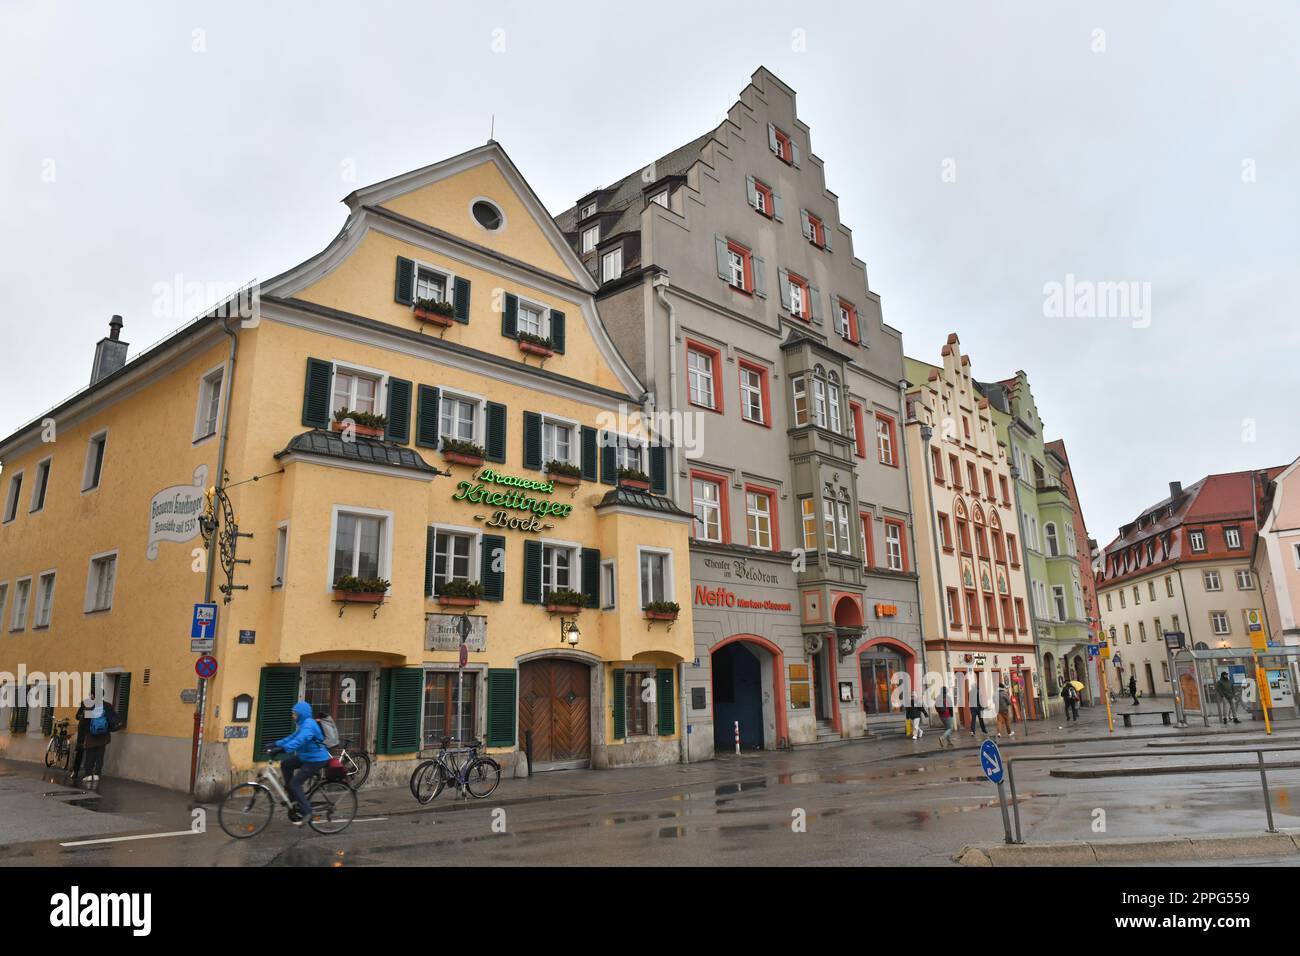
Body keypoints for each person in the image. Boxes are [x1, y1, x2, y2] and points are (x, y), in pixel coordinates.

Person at [270, 701, 332, 825]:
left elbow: (300, 740)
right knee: (285, 764)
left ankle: (307, 812)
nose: (293, 716)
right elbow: (293, 737)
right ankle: (293, 797)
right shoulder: (303, 724)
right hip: (307, 757)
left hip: (316, 759)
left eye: (294, 714)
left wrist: (283, 749)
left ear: (301, 714)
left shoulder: (309, 725)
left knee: (295, 783)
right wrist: (276, 744)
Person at [75, 694, 119, 785]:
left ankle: (88, 775)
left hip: (90, 735)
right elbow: (113, 720)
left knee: (89, 756)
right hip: (103, 736)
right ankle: (97, 774)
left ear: (92, 695)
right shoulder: (107, 706)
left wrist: (80, 739)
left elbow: (82, 722)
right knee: (100, 756)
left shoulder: (88, 705)